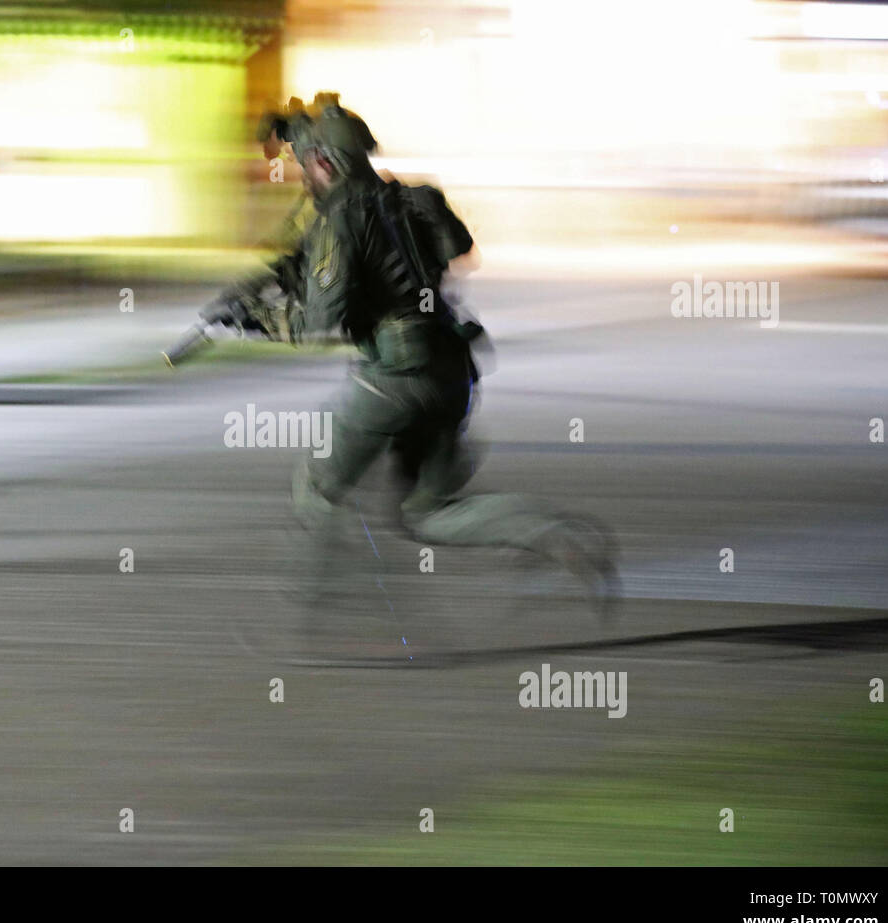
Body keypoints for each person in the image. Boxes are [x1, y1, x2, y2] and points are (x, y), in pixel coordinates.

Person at [209, 100, 620, 628]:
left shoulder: (339, 221)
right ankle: (554, 536)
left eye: (305, 163)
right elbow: (451, 250)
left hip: (394, 377)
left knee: (318, 486)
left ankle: (350, 615)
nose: (301, 175)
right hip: (451, 370)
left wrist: (252, 316)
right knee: (428, 512)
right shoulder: (412, 200)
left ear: (327, 164)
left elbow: (316, 322)